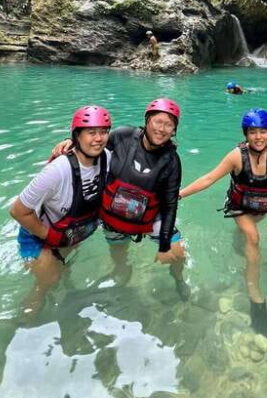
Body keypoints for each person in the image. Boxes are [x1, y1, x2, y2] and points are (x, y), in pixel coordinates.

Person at [179, 108, 267, 337]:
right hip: (238, 207)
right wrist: (178, 195)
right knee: (253, 238)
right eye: (252, 132)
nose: (258, 137)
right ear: (246, 134)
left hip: (261, 208)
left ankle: (241, 241)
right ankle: (256, 296)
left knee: (247, 236)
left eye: (263, 132)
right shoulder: (236, 155)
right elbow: (209, 178)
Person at [51, 98, 189, 300]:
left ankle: (178, 279)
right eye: (158, 121)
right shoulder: (124, 136)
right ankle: (122, 281)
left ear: (174, 130)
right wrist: (70, 141)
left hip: (151, 219)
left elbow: (170, 204)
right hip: (113, 219)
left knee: (177, 254)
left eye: (169, 124)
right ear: (147, 121)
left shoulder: (172, 161)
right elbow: (94, 144)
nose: (162, 129)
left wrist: (164, 244)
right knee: (120, 261)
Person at [9, 105, 111, 313]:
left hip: (70, 231)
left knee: (65, 269)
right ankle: (23, 320)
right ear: (77, 137)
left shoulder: (106, 158)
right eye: (91, 132)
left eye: (103, 132)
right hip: (39, 236)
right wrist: (51, 237)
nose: (99, 138)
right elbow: (17, 211)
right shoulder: (57, 170)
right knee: (47, 283)